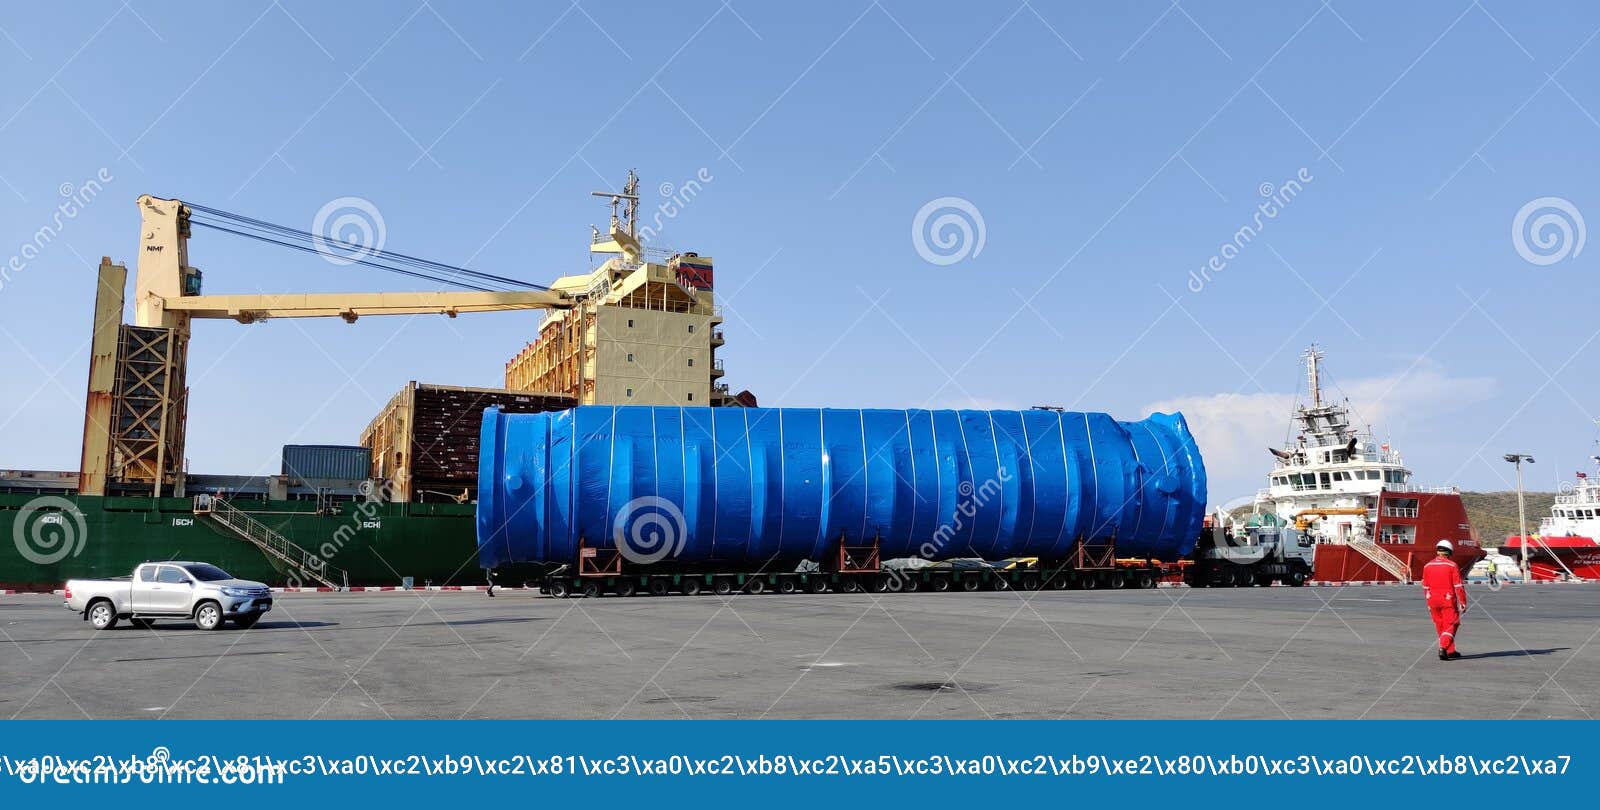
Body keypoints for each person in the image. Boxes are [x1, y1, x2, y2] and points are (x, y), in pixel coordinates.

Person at [1421, 539, 1468, 660]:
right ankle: (1443, 647)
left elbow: (1425, 586)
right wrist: (1463, 602)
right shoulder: (1452, 565)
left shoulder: (1427, 566)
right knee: (1452, 623)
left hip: (1432, 600)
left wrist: (1428, 603)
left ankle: (1450, 651)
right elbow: (1458, 586)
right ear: (1449, 553)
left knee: (1440, 625)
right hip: (1447, 600)